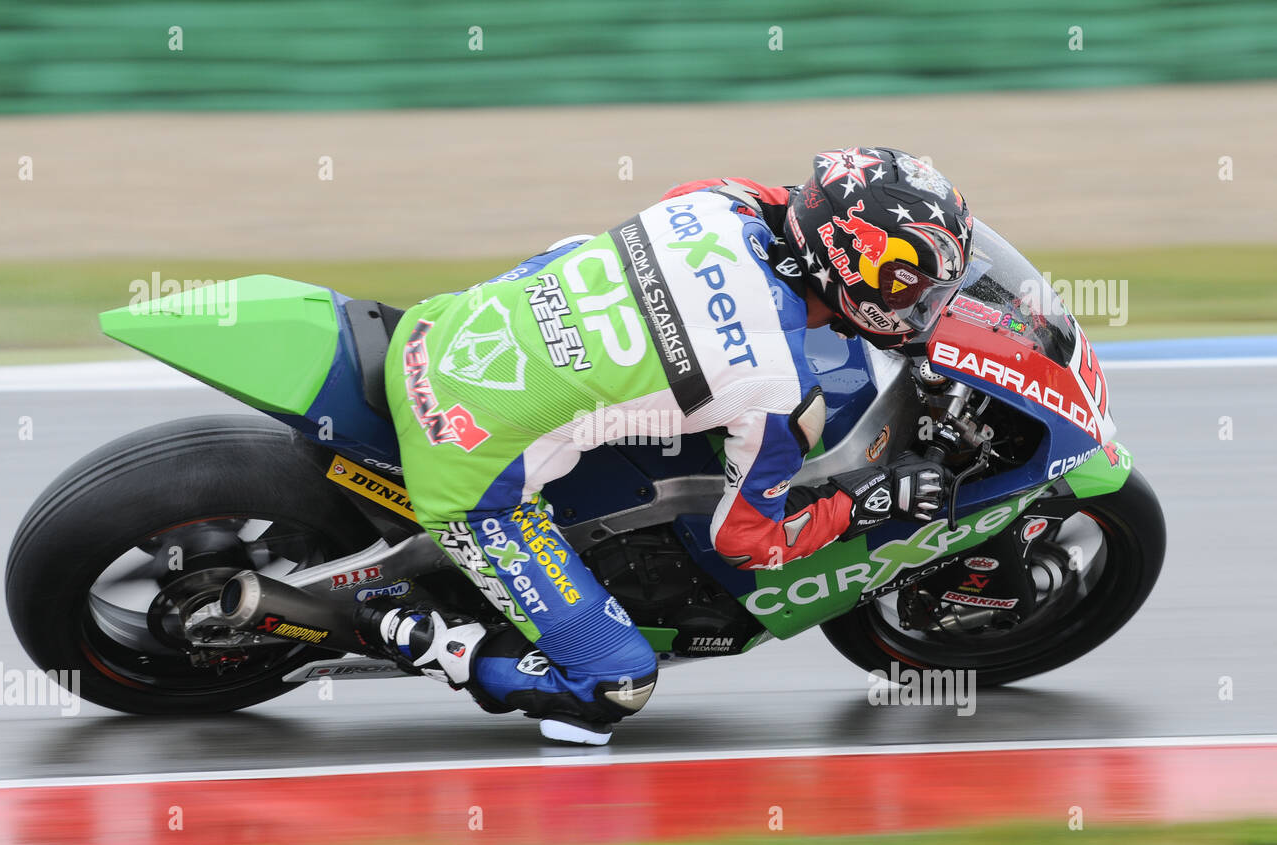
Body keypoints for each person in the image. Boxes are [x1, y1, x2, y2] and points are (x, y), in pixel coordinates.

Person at [360, 147, 973, 744]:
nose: (915, 306)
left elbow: (781, 206)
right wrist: (867, 503)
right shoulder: (779, 391)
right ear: (851, 262)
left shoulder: (720, 199)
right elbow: (747, 543)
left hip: (435, 326)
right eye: (904, 286)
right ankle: (408, 633)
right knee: (614, 684)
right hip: (464, 459)